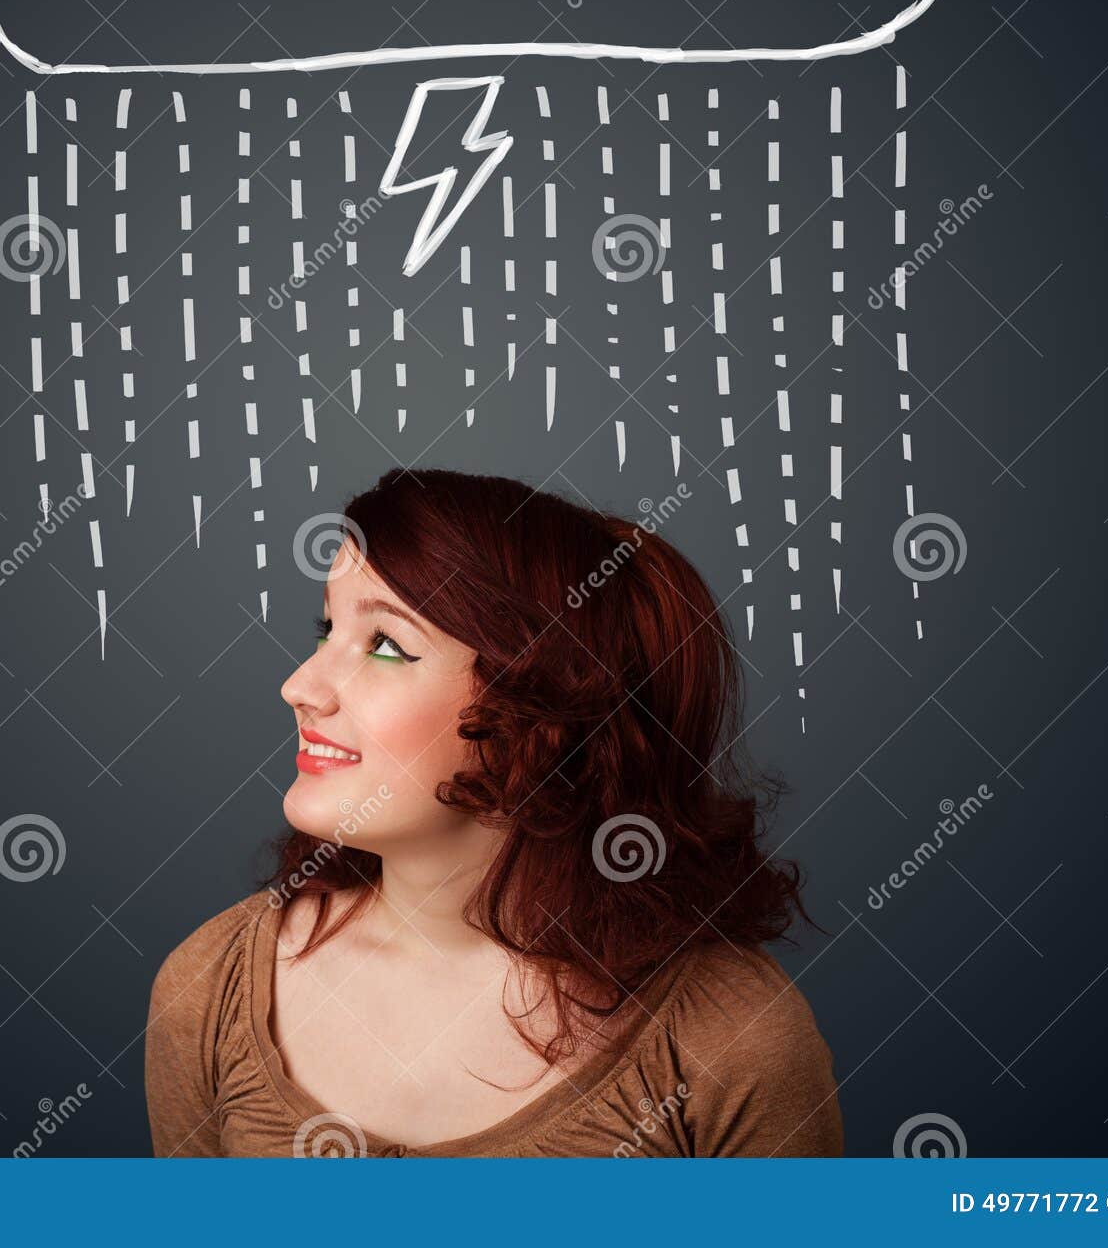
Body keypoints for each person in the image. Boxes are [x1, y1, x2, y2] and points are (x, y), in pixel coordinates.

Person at [146, 467, 842, 1157]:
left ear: (541, 712)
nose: (299, 686)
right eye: (326, 630)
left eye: (385, 645)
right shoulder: (209, 985)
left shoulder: (733, 1040)